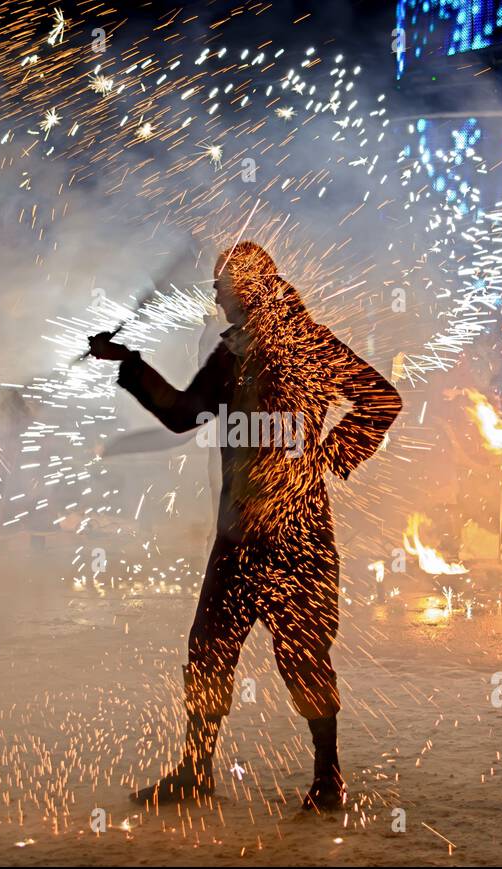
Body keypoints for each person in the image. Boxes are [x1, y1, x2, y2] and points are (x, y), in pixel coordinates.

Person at [88, 242, 401, 810]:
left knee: (303, 656)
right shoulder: (234, 351)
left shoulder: (308, 342)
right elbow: (186, 415)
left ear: (248, 289)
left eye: (222, 286)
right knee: (208, 650)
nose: (215, 295)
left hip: (296, 536)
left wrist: (330, 457)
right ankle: (196, 771)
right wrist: (129, 363)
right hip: (238, 537)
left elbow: (380, 400)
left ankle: (328, 779)